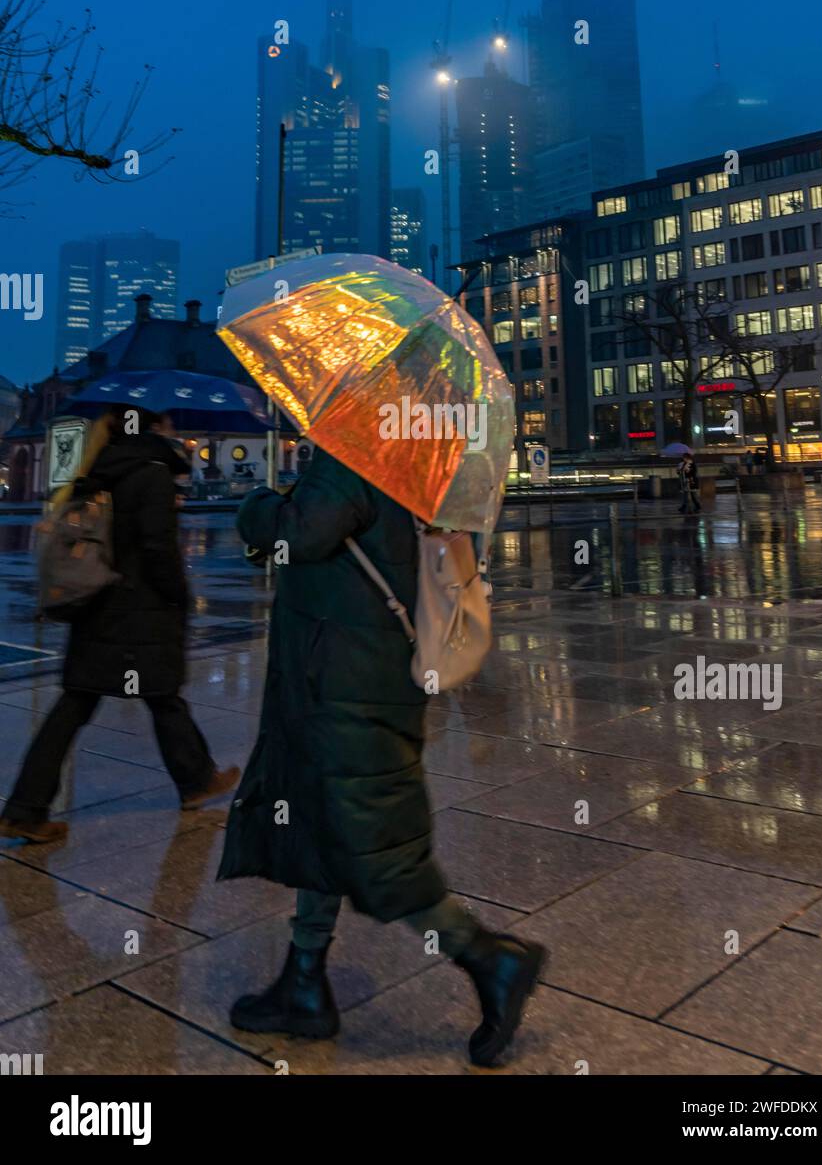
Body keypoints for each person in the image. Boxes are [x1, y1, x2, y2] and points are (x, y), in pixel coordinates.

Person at [219, 446, 546, 1069]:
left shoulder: (357, 451)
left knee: (373, 844)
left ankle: (492, 959)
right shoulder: (418, 458)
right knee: (325, 819)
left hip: (345, 677)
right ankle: (305, 983)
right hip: (357, 667)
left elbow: (301, 532)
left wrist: (259, 506)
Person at [0, 407, 239, 844]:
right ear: (152, 428)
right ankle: (195, 780)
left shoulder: (102, 469)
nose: (173, 434)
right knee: (159, 695)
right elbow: (156, 547)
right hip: (138, 607)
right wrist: (178, 595)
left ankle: (27, 807)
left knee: (87, 702)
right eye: (167, 427)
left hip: (98, 603)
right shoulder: (150, 472)